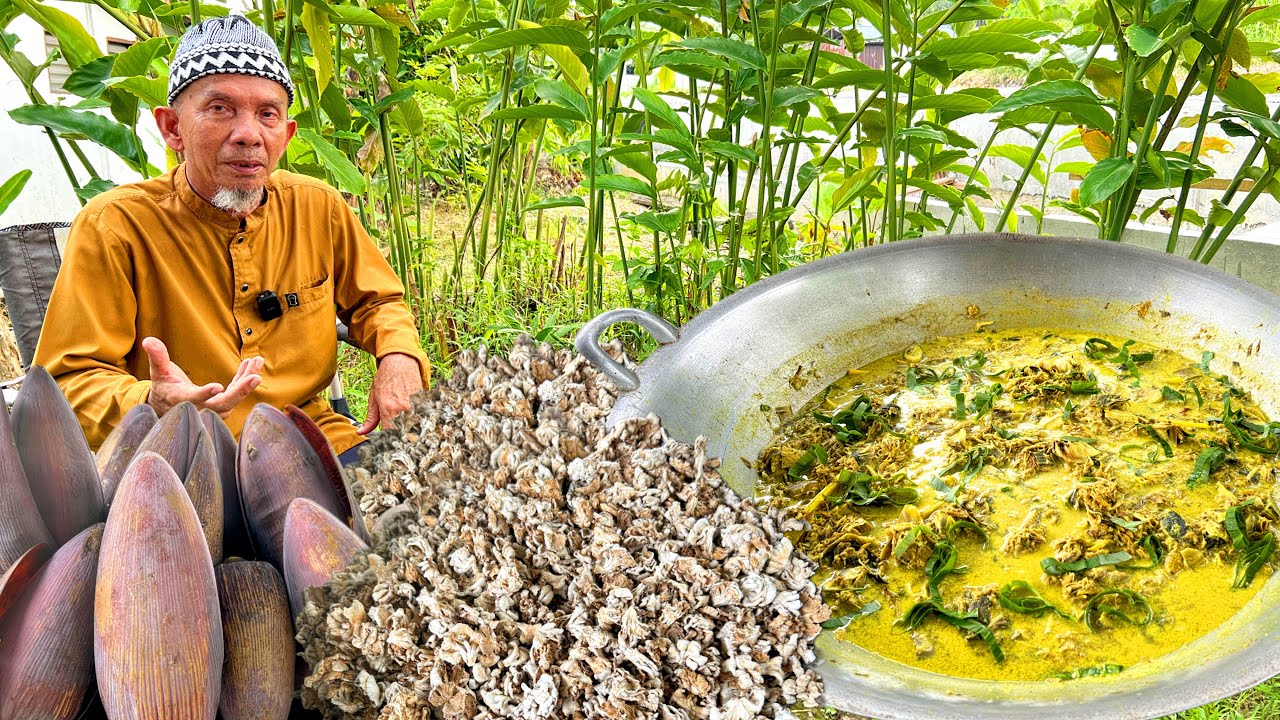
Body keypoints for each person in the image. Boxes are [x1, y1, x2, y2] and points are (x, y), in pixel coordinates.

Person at [33, 15, 430, 464]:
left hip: (311, 439)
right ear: (172, 128)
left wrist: (399, 356)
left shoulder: (319, 207)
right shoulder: (115, 226)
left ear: (286, 135)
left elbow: (379, 302)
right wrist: (152, 403)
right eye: (220, 109)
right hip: (179, 461)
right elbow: (69, 382)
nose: (248, 135)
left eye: (267, 114)